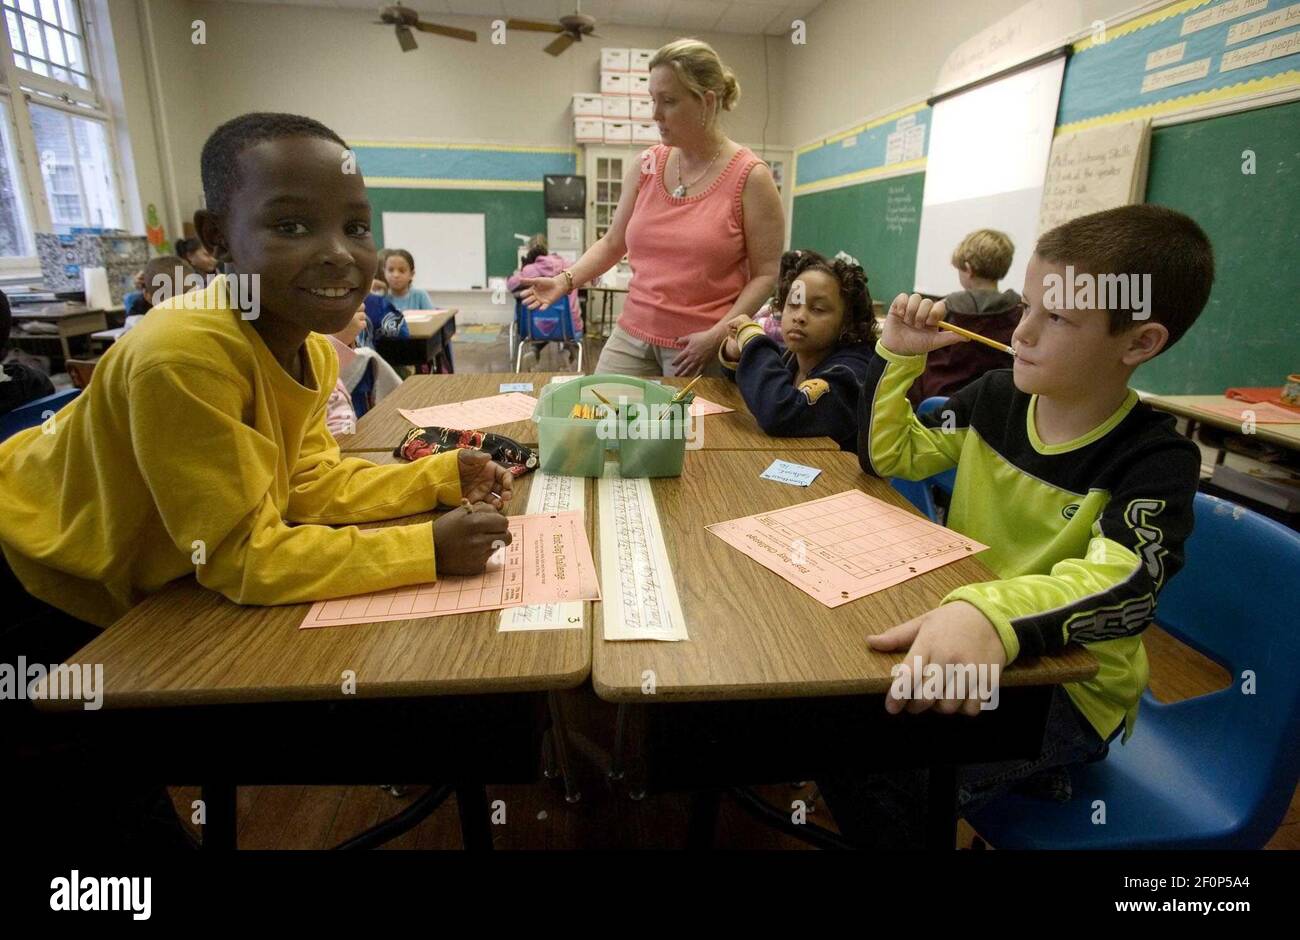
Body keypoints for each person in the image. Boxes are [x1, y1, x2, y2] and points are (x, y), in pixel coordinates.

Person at [822, 204, 1216, 847]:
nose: (1022, 332)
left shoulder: (1157, 460)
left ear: (1141, 342)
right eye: (1028, 305)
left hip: (1068, 687)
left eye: (1056, 316)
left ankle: (1045, 768)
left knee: (879, 766)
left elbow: (1129, 586)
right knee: (835, 718)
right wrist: (895, 359)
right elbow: (892, 456)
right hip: (973, 628)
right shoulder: (998, 397)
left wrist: (989, 615)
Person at [517, 38, 783, 377]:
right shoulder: (647, 164)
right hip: (632, 335)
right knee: (603, 419)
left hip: (698, 346)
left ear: (707, 101)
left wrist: (717, 335)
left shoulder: (750, 178)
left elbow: (764, 275)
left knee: (685, 431)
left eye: (668, 101)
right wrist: (563, 281)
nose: (655, 114)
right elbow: (614, 242)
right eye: (652, 100)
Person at [719, 250, 874, 451]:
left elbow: (779, 412)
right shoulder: (800, 354)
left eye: (817, 309)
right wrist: (736, 354)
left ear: (847, 322)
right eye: (792, 305)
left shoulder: (851, 372)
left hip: (843, 479)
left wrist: (752, 340)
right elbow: (761, 381)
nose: (799, 317)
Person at [909, 228, 1022, 405]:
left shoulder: (942, 312)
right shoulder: (1019, 312)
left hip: (939, 407)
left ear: (968, 269)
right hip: (996, 406)